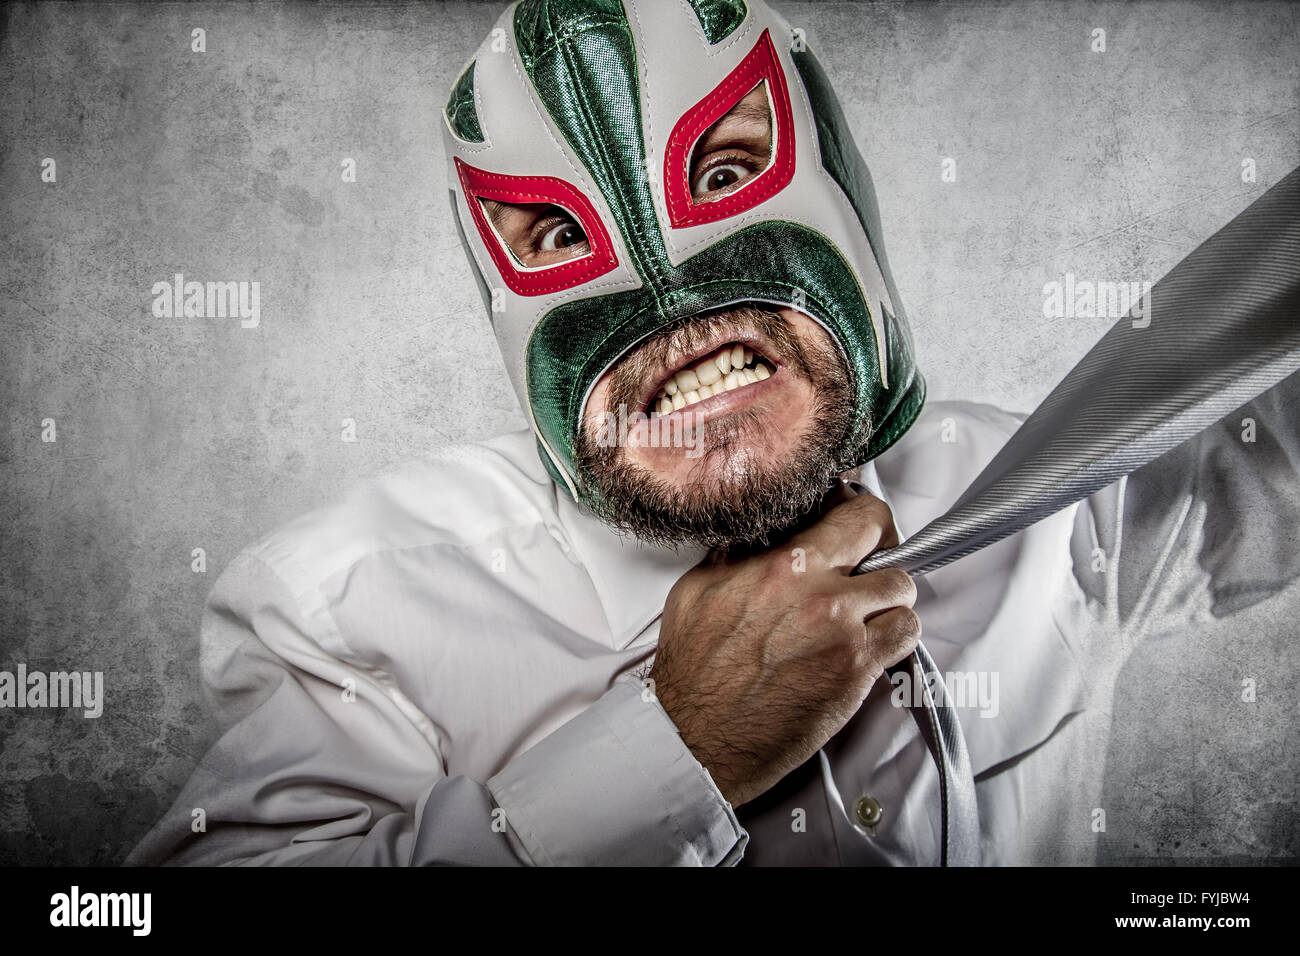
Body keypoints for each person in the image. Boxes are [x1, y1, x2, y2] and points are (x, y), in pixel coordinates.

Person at [127, 0, 1300, 866]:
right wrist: (671, 747)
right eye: (549, 235)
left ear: (840, 186)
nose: (671, 303)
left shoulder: (1050, 495)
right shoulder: (350, 613)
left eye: (726, 166)